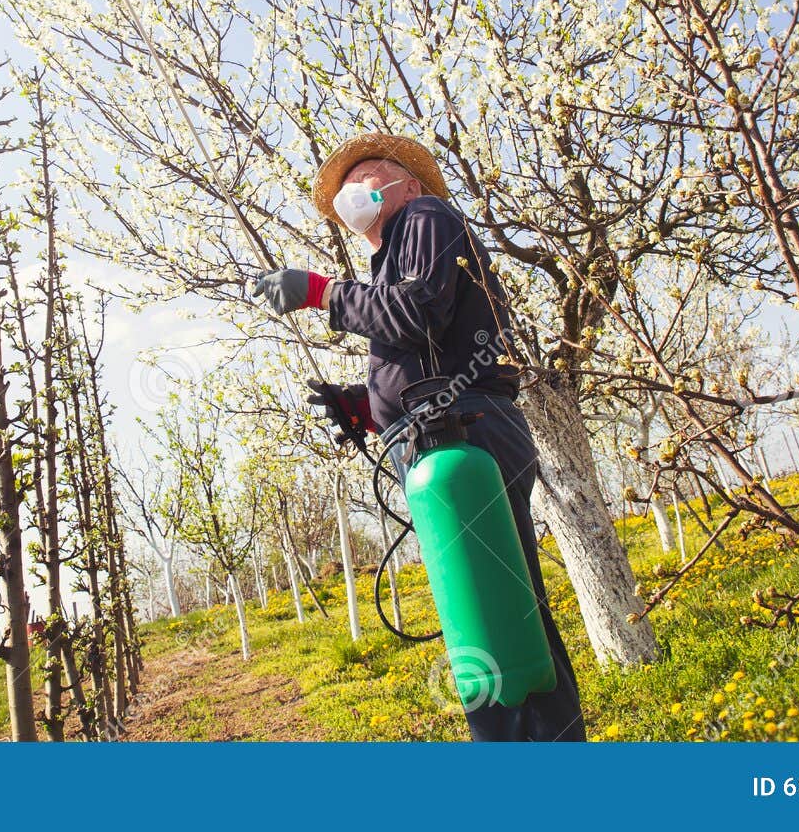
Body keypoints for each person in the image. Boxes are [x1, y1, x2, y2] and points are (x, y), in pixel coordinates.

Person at [251, 132, 587, 742]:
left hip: (469, 435)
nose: (358, 189)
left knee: (494, 612)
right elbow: (426, 347)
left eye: (371, 173)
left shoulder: (428, 215)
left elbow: (416, 311)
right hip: (442, 436)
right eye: (350, 184)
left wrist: (320, 291)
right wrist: (366, 406)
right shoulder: (393, 253)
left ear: (409, 184)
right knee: (488, 609)